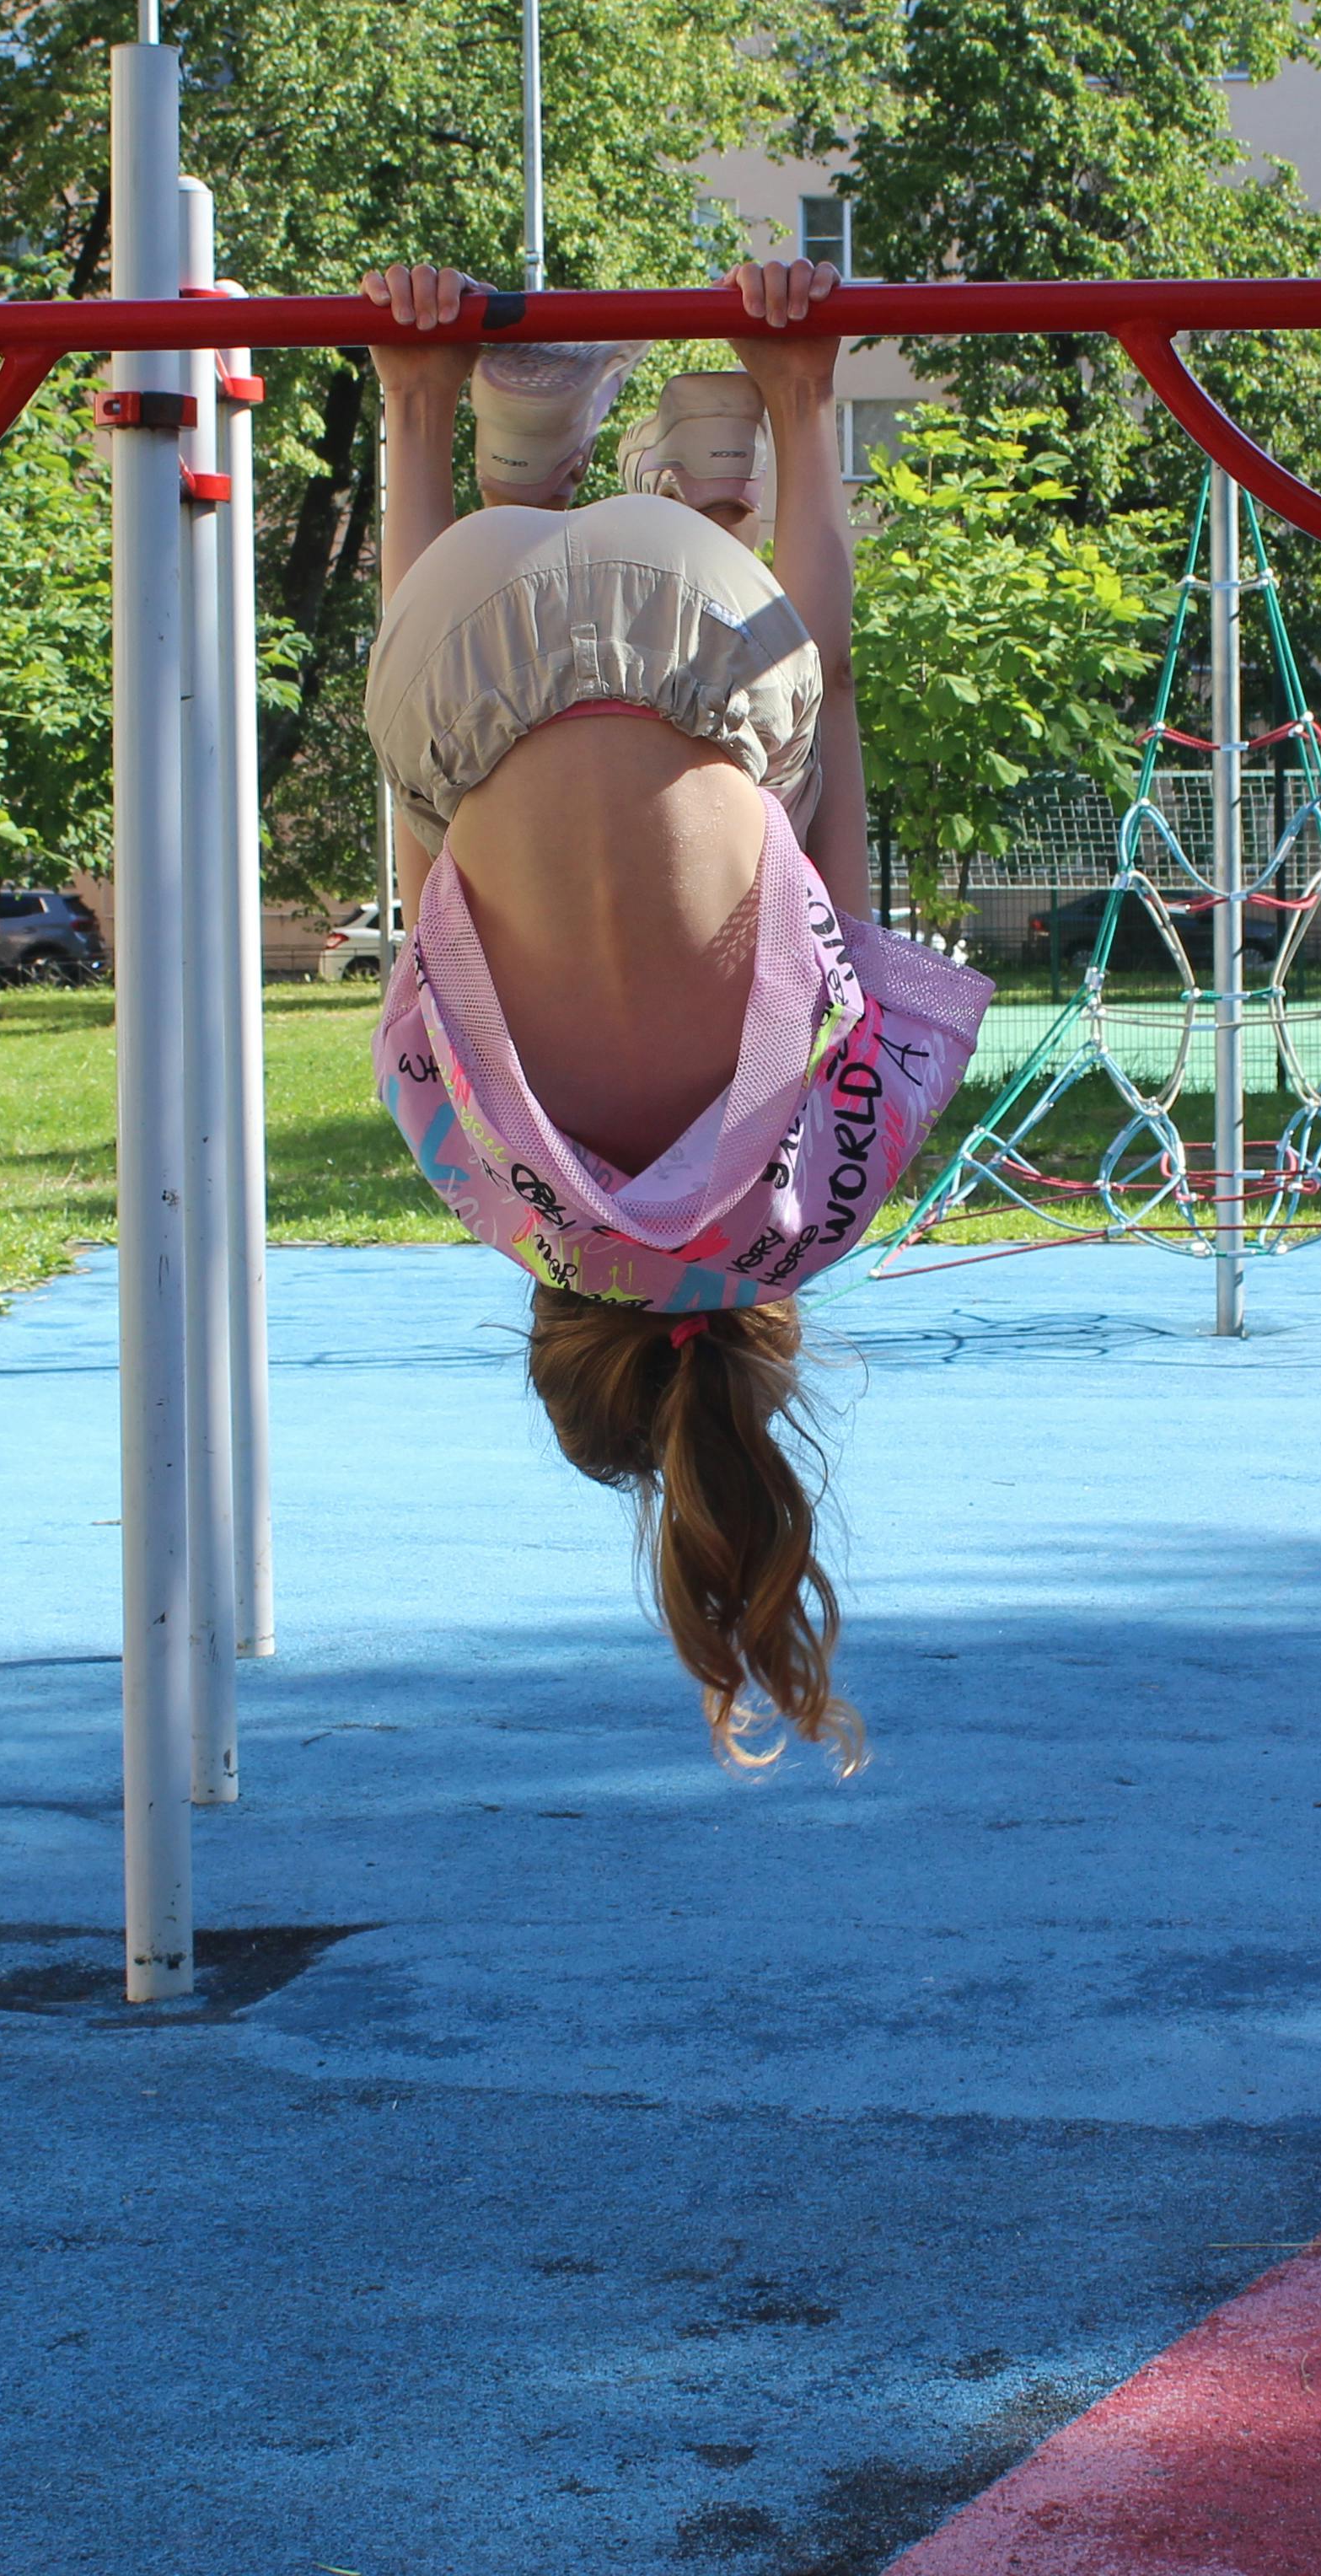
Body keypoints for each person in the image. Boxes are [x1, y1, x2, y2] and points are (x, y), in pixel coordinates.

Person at [356, 255, 989, 1768]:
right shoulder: (482, 1186)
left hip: (704, 625)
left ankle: (718, 452)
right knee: (443, 849)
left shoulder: (818, 1209)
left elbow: (827, 703)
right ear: (547, 1322)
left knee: (803, 854)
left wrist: (804, 389)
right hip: (454, 652)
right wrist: (407, 403)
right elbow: (427, 884)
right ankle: (500, 442)